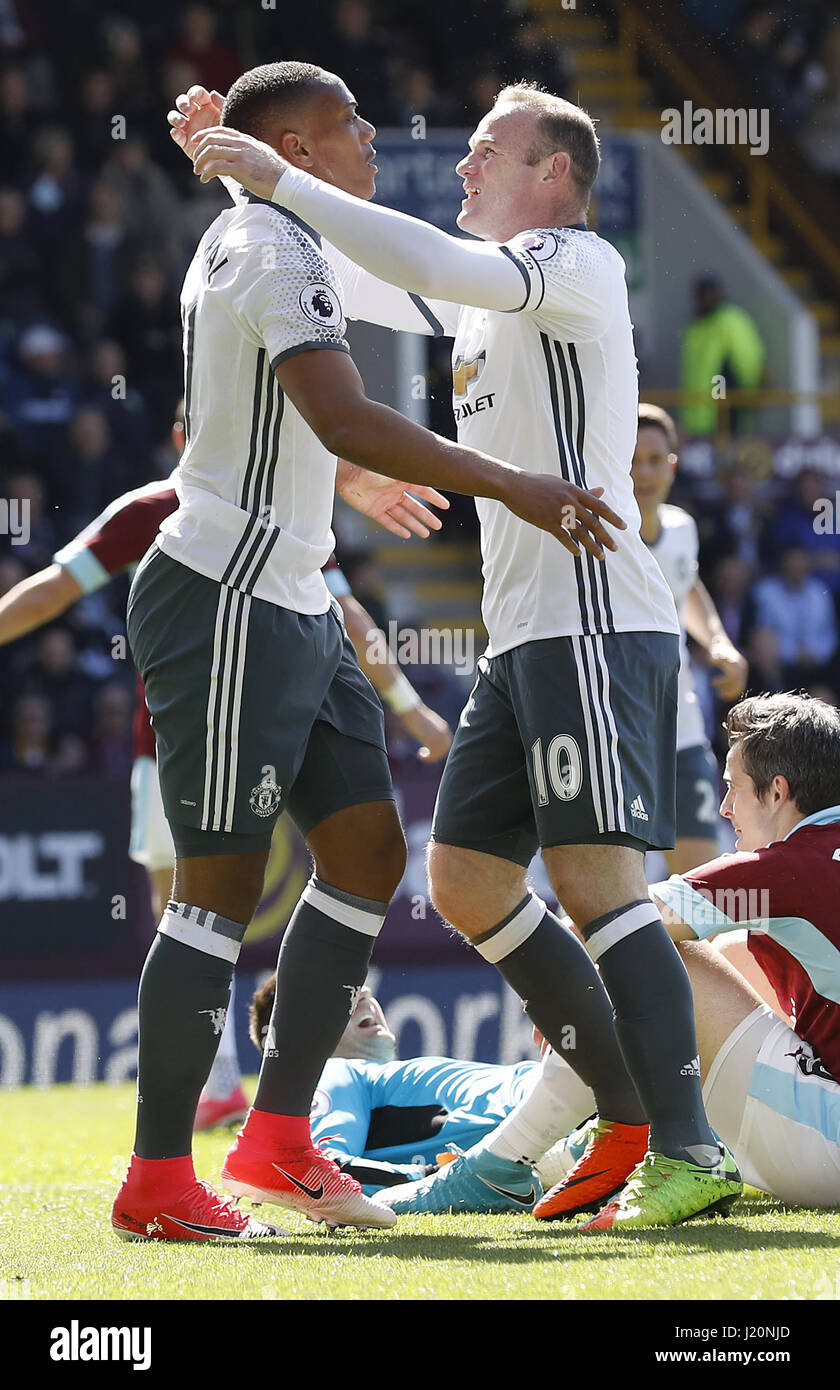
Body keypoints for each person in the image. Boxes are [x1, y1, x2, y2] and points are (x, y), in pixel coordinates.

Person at [181, 72, 742, 1230]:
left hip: (593, 618)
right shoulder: (491, 301)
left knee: (598, 885)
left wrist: (278, 170)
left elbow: (428, 265)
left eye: (491, 147)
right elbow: (363, 268)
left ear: (554, 175)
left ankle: (684, 1143)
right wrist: (243, 172)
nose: (464, 163)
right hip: (522, 636)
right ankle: (622, 1108)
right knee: (465, 879)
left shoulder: (573, 261)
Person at [116, 62, 621, 1244]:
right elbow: (337, 406)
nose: (374, 147)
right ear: (294, 138)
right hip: (227, 594)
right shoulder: (267, 248)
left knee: (367, 856)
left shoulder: (293, 239)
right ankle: (154, 1176)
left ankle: (279, 1137)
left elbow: (412, 304)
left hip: (294, 594)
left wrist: (342, 476)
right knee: (218, 895)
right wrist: (513, 483)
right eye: (352, 131)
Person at [0, 401, 456, 1132]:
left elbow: (351, 622)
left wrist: (410, 710)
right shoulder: (152, 509)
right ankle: (234, 1087)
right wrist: (412, 713)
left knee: (204, 910)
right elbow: (52, 588)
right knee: (199, 910)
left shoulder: (290, 513)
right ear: (182, 436)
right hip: (182, 747)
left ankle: (315, 1072)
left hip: (251, 741)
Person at [388, 692, 840, 1217]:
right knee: (726, 950)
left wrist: (564, 998)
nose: (723, 809)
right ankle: (567, 1158)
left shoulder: (788, 866)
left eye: (733, 789)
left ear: (778, 791)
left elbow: (612, 918)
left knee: (648, 958)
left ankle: (506, 1161)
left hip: (826, 1147)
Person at [248, 976, 594, 1207]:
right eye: (344, 996)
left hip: (572, 1110)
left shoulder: (386, 1080)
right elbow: (327, 1173)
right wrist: (438, 1177)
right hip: (574, 1117)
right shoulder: (333, 1073)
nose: (365, 998)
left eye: (363, 991)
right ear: (299, 1036)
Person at [632, 403, 747, 873]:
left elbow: (688, 584)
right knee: (610, 900)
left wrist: (719, 641)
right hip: (614, 737)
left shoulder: (682, 528)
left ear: (673, 466)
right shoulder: (596, 532)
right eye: (631, 460)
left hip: (682, 731)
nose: (643, 473)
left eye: (655, 460)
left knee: (696, 898)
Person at [680, 275, 765, 437]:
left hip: (725, 410)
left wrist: (751, 393)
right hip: (697, 419)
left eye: (710, 294)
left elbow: (749, 361)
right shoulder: (695, 327)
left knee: (729, 456)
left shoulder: (731, 320)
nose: (706, 299)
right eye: (702, 295)